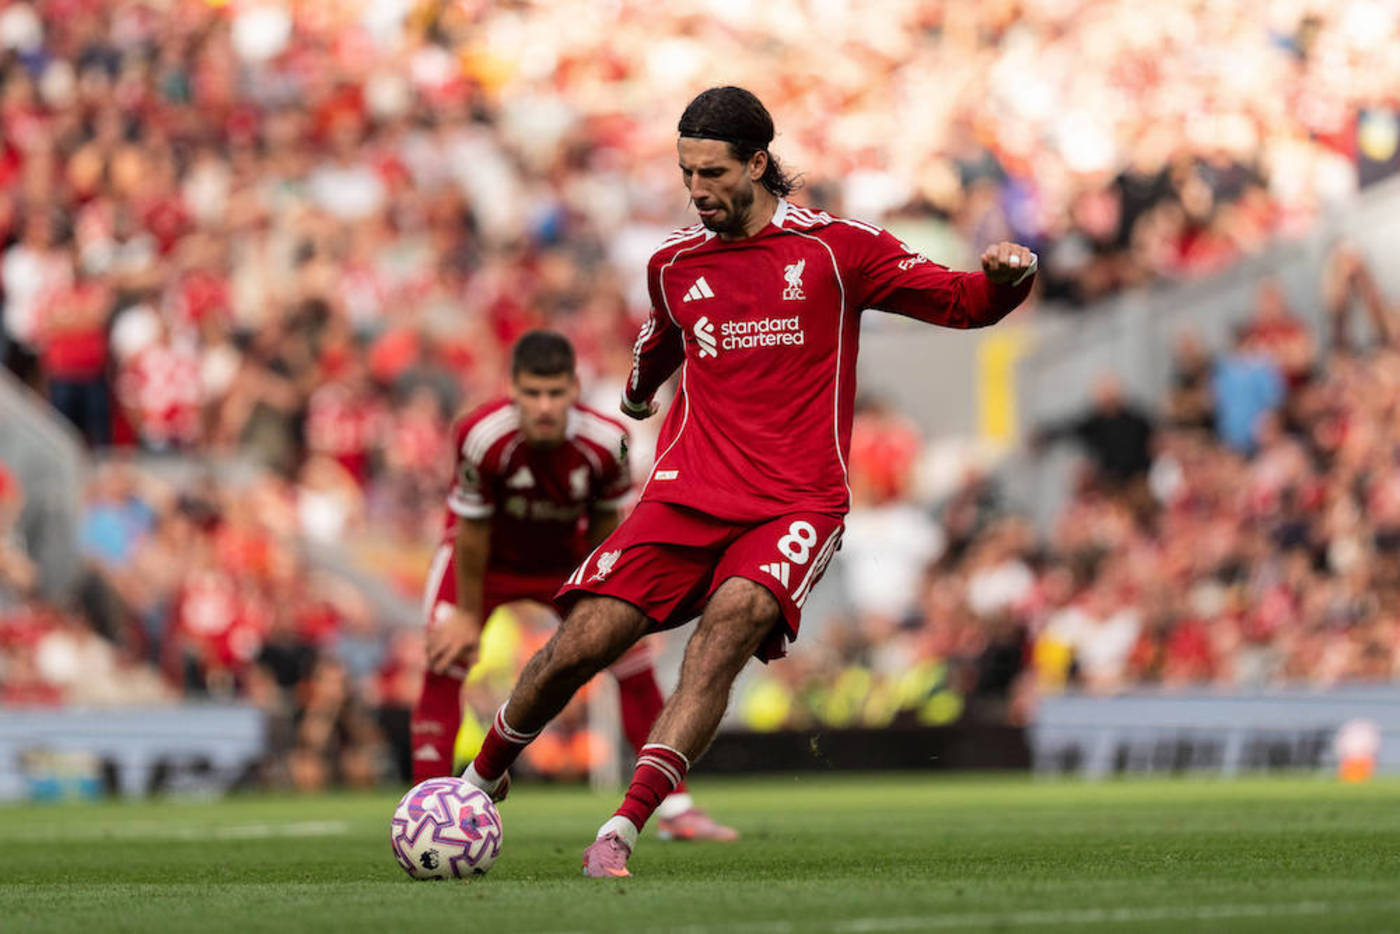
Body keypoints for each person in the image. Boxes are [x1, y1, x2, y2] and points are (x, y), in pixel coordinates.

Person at [456, 86, 1037, 877]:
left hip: (796, 502)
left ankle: (623, 829)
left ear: (759, 163)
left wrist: (1004, 281)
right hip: (687, 492)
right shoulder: (674, 264)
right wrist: (635, 395)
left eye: (712, 173)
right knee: (580, 644)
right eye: (686, 172)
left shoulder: (838, 250)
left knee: (725, 629)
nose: (696, 191)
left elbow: (963, 303)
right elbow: (657, 344)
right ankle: (477, 784)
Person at [411, 330, 735, 841]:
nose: (544, 406)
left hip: (564, 562)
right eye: (533, 393)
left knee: (632, 660)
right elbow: (469, 531)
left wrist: (615, 604)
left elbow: (608, 528)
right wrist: (468, 615)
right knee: (443, 657)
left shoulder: (606, 443)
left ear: (574, 390)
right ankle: (428, 809)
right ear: (513, 390)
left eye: (555, 392)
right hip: (486, 560)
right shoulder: (481, 434)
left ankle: (676, 810)